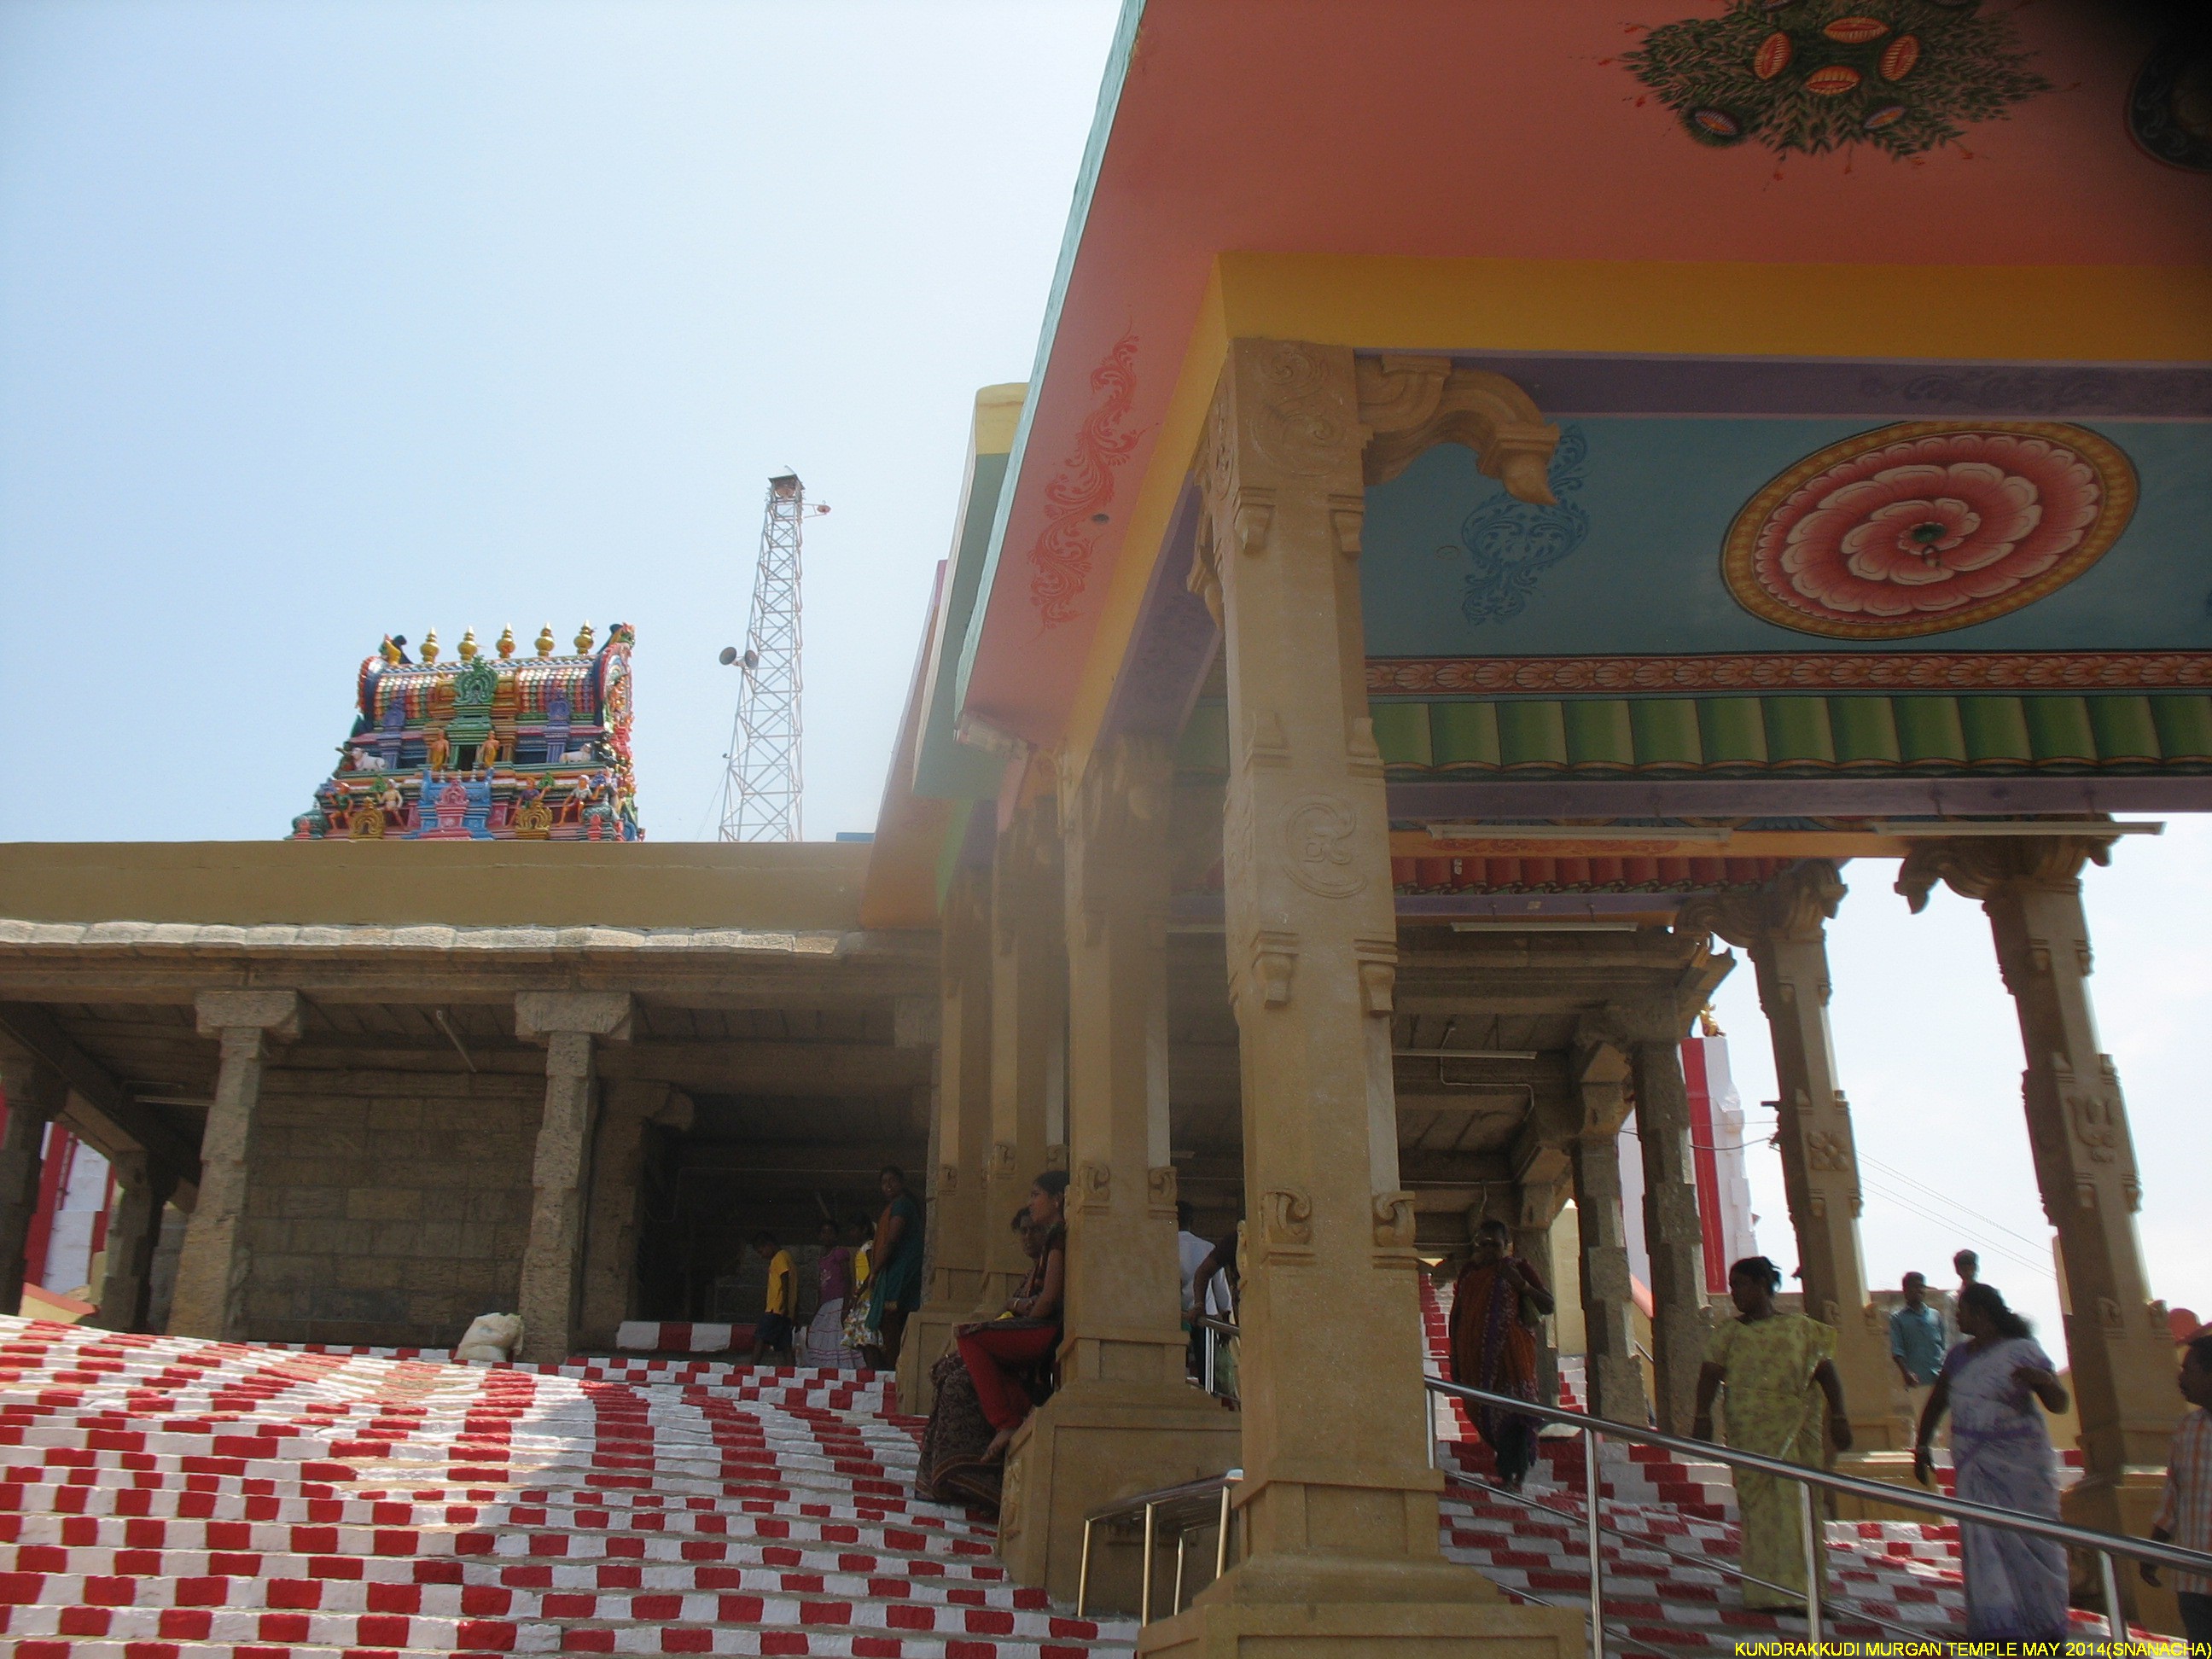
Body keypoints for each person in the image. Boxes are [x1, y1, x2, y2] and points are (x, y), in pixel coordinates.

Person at [1692, 1255, 1852, 1615]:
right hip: (1751, 1435)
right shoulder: (1729, 1333)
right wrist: (1702, 1417)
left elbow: (1826, 1373)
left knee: (1799, 1510)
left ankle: (1807, 1593)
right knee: (1761, 1513)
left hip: (1794, 1432)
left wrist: (1840, 1417)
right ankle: (1766, 1593)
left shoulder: (1800, 1329)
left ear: (1762, 1284)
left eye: (1740, 1285)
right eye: (1731, 1287)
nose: (1734, 1293)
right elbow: (1709, 1375)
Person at [1912, 1282, 2070, 1642]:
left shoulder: (2022, 1350)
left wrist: (2044, 1380)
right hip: (1975, 1465)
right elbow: (1937, 1402)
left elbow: (2059, 1403)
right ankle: (1997, 1628)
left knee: (2032, 1539)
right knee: (1984, 1541)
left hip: (2020, 1468)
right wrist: (1921, 1447)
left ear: (1981, 1313)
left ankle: (2043, 1626)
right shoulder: (1958, 1357)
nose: (1957, 1318)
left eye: (1962, 1312)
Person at [918, 1208, 1039, 1511]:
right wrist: (1014, 1304)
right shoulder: (1031, 1273)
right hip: (1009, 1349)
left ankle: (977, 1476)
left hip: (1030, 1364)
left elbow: (1039, 1312)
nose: (1027, 1237)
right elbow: (1007, 1313)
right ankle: (943, 1477)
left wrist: (1014, 1305)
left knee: (959, 1380)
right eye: (1023, 1231)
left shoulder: (1054, 1261)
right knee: (946, 1368)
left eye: (1033, 1230)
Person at [954, 1170, 1068, 1464]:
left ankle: (1005, 1422)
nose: (1030, 1202)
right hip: (1040, 1326)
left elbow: (1049, 1299)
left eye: (1036, 1195)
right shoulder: (1054, 1236)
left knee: (970, 1337)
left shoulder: (1058, 1236)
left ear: (1057, 1200)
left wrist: (1025, 1315)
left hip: (1046, 1329)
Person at [1449, 1218, 1555, 1491]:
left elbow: (1547, 1304)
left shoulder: (1518, 1268)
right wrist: (1455, 1360)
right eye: (1483, 1244)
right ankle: (1507, 1471)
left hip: (1513, 1358)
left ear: (1506, 1245)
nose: (1488, 1250)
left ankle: (1513, 1476)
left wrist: (1522, 1286)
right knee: (1488, 1413)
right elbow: (1457, 1316)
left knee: (1516, 1414)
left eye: (1494, 1245)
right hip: (1475, 1362)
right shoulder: (1469, 1273)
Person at [2144, 1333, 2212, 1647]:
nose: (2180, 1378)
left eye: (2188, 1369)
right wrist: (2152, 1553)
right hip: (2193, 1582)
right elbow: (2171, 1503)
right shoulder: (2187, 1429)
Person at [859, 1167, 923, 1371]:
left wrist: (875, 1271)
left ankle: (894, 1367)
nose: (887, 1186)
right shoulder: (896, 1206)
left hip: (902, 1268)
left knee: (891, 1316)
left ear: (901, 1183)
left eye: (892, 1181)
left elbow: (891, 1241)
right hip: (896, 1268)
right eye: (883, 1183)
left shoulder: (902, 1205)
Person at [1889, 1272, 1947, 1444]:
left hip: (1940, 1378)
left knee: (1946, 1424)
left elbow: (1943, 1345)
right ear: (1905, 1290)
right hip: (1918, 1379)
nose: (1919, 1290)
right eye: (1915, 1287)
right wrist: (1906, 1373)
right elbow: (1897, 1351)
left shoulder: (1935, 1315)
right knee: (1926, 1425)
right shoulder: (1898, 1319)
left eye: (1922, 1287)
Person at [803, 1219, 856, 1368]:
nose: (827, 1236)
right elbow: (821, 1286)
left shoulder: (839, 1253)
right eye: (824, 1233)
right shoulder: (822, 1257)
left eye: (831, 1233)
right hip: (825, 1304)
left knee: (837, 1335)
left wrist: (846, 1304)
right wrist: (817, 1307)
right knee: (819, 1334)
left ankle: (841, 1367)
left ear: (836, 1235)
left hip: (839, 1302)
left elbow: (847, 1278)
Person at [750, 1230, 797, 1364]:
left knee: (760, 1338)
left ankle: (752, 1368)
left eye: (761, 1252)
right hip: (787, 1312)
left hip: (775, 1309)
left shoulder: (779, 1258)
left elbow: (785, 1279)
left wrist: (784, 1304)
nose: (762, 1256)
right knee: (786, 1345)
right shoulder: (788, 1257)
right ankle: (791, 1371)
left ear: (769, 1245)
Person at [840, 1212, 876, 1354]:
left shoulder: (869, 1247)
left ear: (864, 1229)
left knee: (867, 1341)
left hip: (868, 1299)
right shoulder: (863, 1248)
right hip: (862, 1299)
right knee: (862, 1342)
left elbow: (873, 1271)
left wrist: (859, 1292)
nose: (851, 1234)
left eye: (853, 1229)